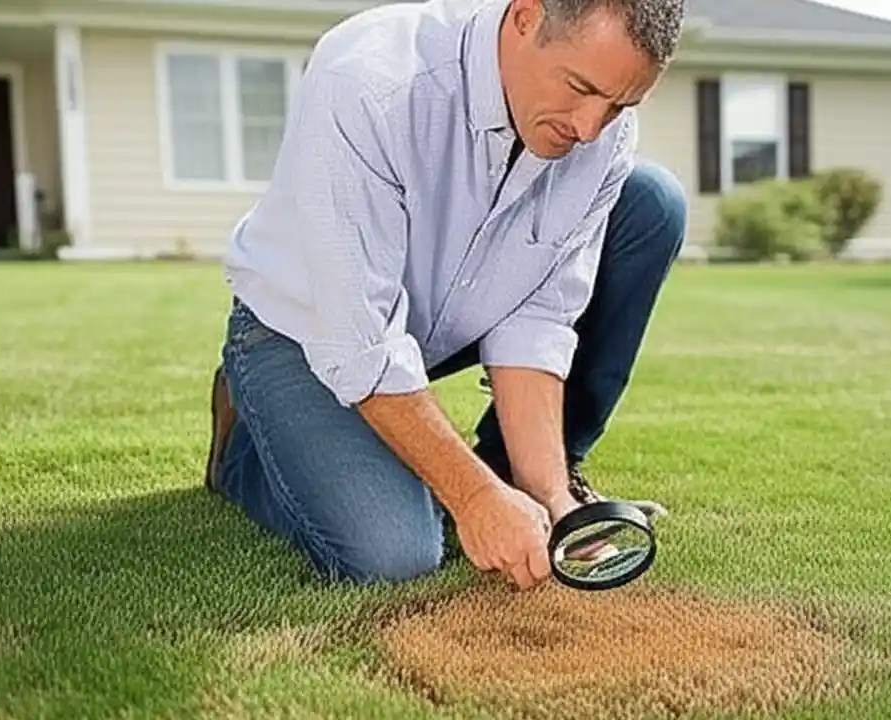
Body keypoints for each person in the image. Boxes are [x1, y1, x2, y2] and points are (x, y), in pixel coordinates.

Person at [204, 0, 688, 591]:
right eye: (581, 87)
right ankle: (240, 453)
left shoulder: (602, 136)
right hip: (303, 333)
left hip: (443, 319)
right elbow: (362, 343)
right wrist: (472, 497)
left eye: (618, 106)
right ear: (526, 17)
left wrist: (548, 496)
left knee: (651, 202)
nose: (590, 128)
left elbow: (539, 314)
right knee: (396, 554)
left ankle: (515, 477)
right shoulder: (369, 82)